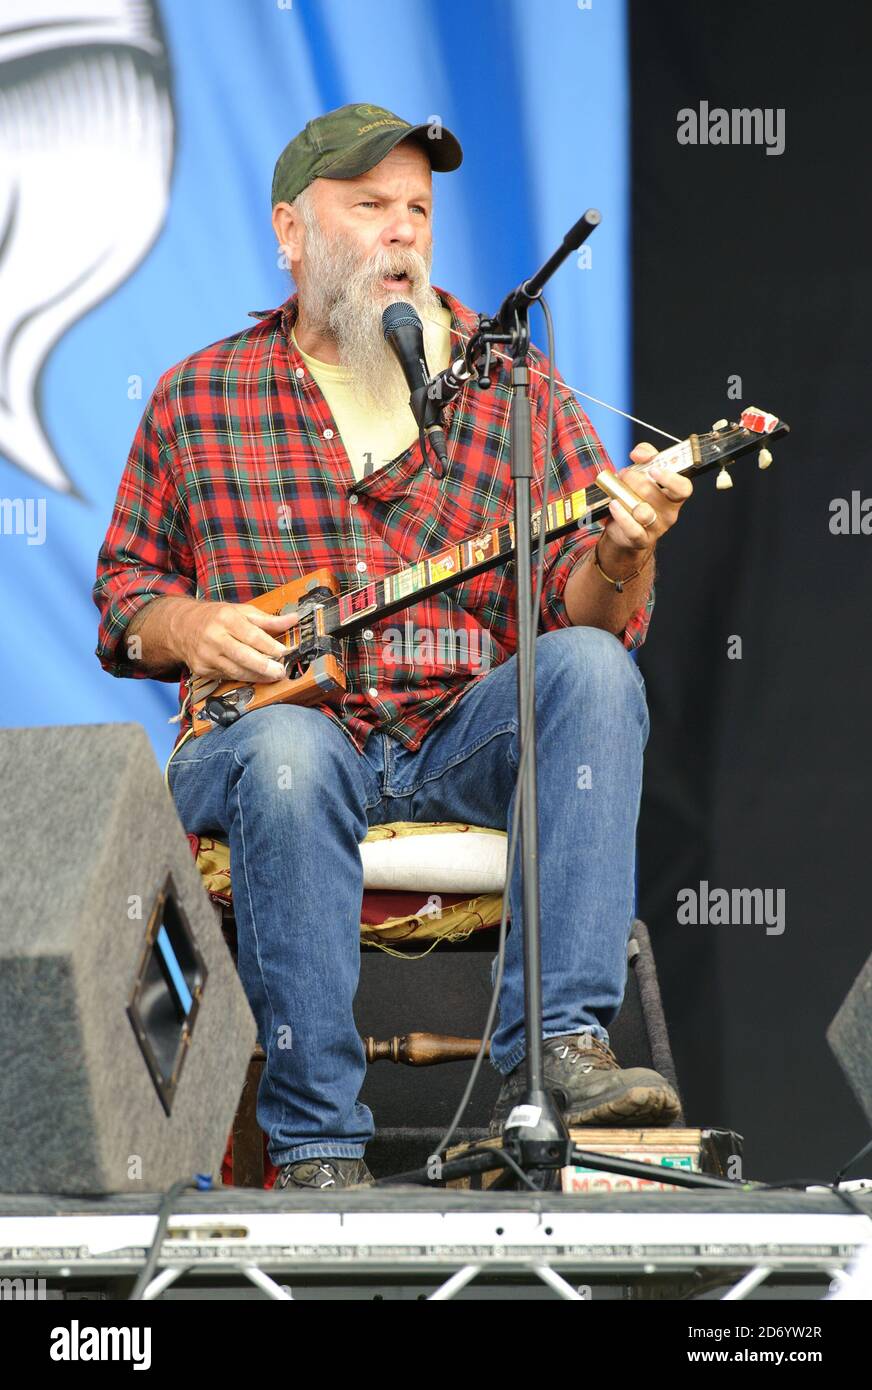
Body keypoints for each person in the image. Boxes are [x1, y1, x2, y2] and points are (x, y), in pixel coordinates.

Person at [93, 103, 692, 1193]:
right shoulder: (200, 394)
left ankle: (556, 1050)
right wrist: (190, 626)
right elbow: (124, 594)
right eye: (368, 206)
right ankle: (318, 1142)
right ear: (291, 231)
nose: (401, 231)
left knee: (594, 674)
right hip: (267, 742)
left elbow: (587, 620)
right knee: (290, 752)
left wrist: (624, 553)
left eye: (417, 208)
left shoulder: (511, 388)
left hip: (449, 736)